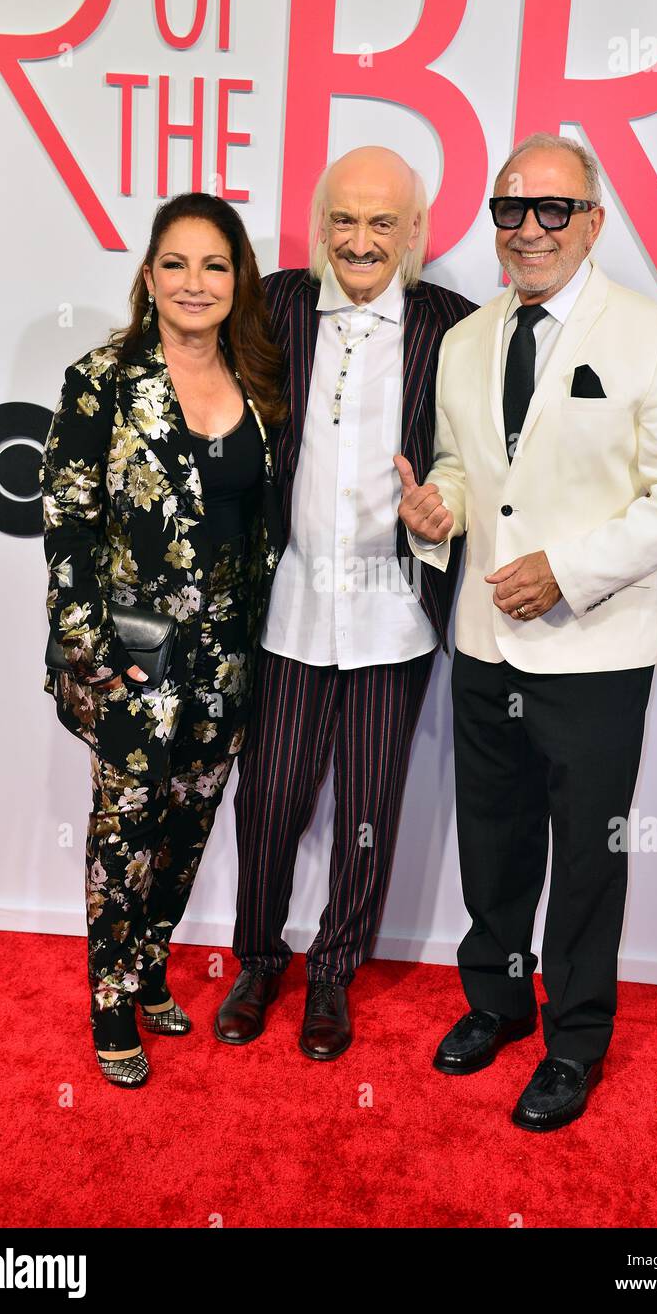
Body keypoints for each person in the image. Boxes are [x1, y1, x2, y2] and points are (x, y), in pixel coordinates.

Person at [398, 132, 657, 1130]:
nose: (528, 228)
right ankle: (494, 1002)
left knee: (587, 853)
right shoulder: (464, 340)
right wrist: (440, 511)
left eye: (551, 209)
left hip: (595, 647)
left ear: (591, 220)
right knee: (492, 841)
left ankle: (573, 1042)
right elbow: (463, 468)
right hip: (484, 638)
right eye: (510, 209)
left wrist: (569, 571)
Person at [214, 146, 476, 1060]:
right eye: (345, 219)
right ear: (321, 224)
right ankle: (257, 957)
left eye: (382, 223)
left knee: (371, 803)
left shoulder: (455, 328)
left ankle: (333, 971)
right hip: (288, 606)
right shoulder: (277, 304)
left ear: (415, 234)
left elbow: (479, 457)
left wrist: (442, 506)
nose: (361, 240)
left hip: (393, 611)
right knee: (271, 796)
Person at [40, 192, 285, 1088]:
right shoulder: (101, 379)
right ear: (149, 276)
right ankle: (108, 997)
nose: (194, 282)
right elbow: (66, 524)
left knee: (187, 825)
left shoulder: (259, 382)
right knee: (125, 831)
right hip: (129, 655)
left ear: (236, 280)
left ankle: (148, 968)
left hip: (228, 655)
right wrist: (91, 655)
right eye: (175, 264)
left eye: (214, 265)